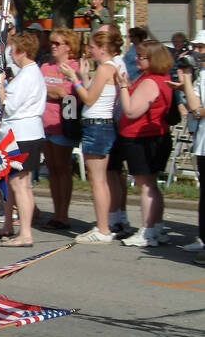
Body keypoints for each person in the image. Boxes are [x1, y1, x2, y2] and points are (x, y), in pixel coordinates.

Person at [59, 31, 122, 243]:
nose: (90, 50)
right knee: (100, 179)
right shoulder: (110, 68)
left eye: (93, 47)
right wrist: (85, 77)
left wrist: (74, 79)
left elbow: (88, 98)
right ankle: (105, 224)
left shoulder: (105, 68)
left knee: (97, 180)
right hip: (101, 124)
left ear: (103, 48)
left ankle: (102, 228)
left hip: (97, 125)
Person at [114, 41, 174, 247]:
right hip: (154, 136)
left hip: (143, 138)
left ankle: (148, 230)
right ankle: (156, 227)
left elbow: (131, 111)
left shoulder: (150, 82)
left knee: (146, 185)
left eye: (142, 57)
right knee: (151, 185)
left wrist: (123, 87)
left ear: (153, 59)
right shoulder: (159, 78)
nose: (137, 59)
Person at [0, 30, 46, 246]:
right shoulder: (31, 72)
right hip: (27, 132)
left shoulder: (27, 75)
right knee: (21, 183)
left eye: (14, 50)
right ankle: (19, 228)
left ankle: (25, 232)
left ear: (21, 51)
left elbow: (8, 107)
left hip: (21, 134)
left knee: (20, 184)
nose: (12, 54)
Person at [40, 29, 80, 230]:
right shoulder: (45, 66)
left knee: (63, 168)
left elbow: (66, 93)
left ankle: (63, 214)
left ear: (68, 46)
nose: (53, 46)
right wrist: (52, 91)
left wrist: (50, 90)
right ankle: (56, 212)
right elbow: (37, 88)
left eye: (58, 43)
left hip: (62, 123)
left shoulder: (74, 67)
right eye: (52, 42)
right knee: (52, 170)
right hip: (44, 123)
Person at [176, 30, 205, 259]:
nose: (197, 52)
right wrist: (186, 78)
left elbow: (199, 109)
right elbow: (194, 105)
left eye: (201, 48)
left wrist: (200, 111)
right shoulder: (201, 74)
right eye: (195, 47)